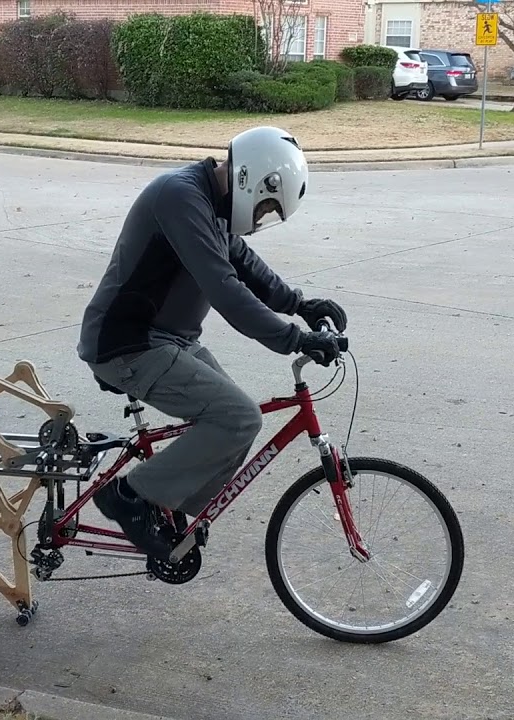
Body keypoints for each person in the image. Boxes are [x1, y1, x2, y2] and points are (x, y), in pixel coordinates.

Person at [75, 126, 348, 560]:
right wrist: (295, 338)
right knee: (236, 418)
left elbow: (244, 264)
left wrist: (301, 304)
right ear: (255, 181)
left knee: (242, 422)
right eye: (265, 208)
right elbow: (224, 288)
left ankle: (164, 507)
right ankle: (129, 497)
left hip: (170, 342)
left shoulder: (211, 204)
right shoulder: (180, 197)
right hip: (128, 344)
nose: (260, 220)